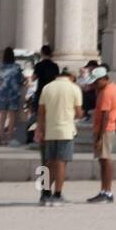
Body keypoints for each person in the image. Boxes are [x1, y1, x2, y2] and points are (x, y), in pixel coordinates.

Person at [36, 69, 83, 205]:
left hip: (50, 130)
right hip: (66, 130)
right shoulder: (74, 88)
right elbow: (79, 113)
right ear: (71, 77)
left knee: (48, 163)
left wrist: (40, 129)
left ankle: (45, 194)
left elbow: (41, 112)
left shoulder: (47, 87)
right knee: (61, 163)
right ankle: (57, 194)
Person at [88, 67, 116, 204]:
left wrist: (99, 137)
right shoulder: (112, 88)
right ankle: (104, 190)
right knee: (103, 160)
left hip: (105, 130)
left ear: (103, 79)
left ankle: (107, 191)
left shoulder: (107, 92)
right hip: (106, 128)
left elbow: (105, 115)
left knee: (105, 159)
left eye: (96, 82)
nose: (94, 85)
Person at [0, 47, 24, 146]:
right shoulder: (17, 67)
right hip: (13, 93)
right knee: (12, 116)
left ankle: (2, 136)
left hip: (2, 93)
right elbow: (21, 80)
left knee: (2, 115)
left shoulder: (1, 67)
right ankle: (10, 136)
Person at [32, 44, 59, 110]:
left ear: (42, 53)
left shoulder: (39, 65)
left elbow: (33, 78)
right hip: (51, 90)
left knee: (39, 111)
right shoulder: (55, 65)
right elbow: (57, 78)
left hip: (41, 90)